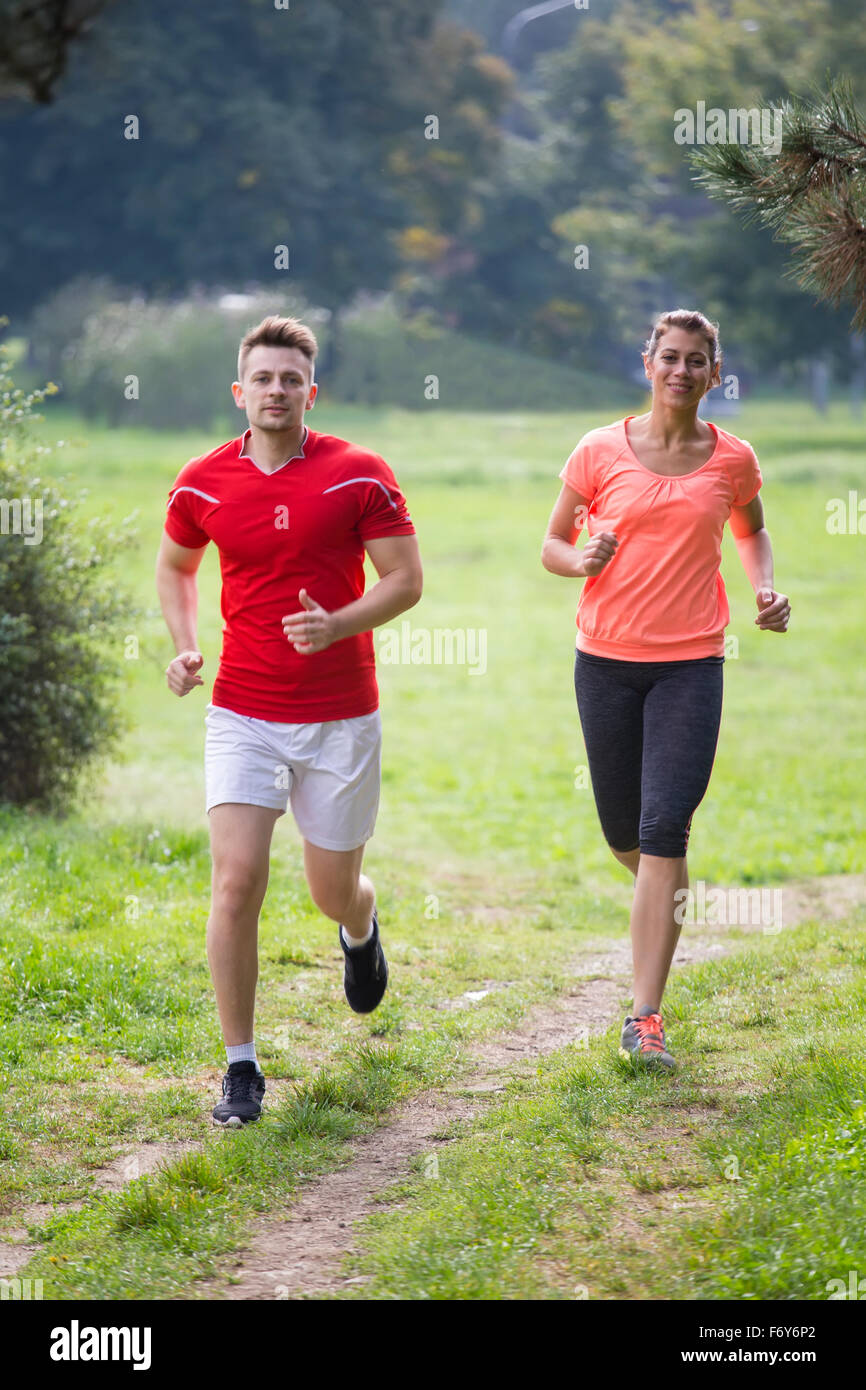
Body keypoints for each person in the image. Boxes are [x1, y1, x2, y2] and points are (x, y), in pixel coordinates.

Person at [156, 315, 423, 1126]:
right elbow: (175, 565)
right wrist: (184, 645)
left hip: (341, 715)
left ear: (314, 390)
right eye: (262, 379)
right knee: (236, 880)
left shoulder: (359, 475)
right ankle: (241, 1067)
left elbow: (406, 580)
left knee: (329, 888)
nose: (277, 391)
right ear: (240, 392)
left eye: (291, 379)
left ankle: (360, 923)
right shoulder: (202, 481)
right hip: (242, 708)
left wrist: (338, 623)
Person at [541, 309, 790, 1070]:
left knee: (662, 831)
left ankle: (644, 1019)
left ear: (715, 373)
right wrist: (580, 559)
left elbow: (751, 529)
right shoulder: (598, 450)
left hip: (691, 666)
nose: (682, 371)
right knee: (628, 838)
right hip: (606, 664)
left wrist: (765, 588)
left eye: (698, 361)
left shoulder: (733, 459)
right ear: (647, 363)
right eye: (670, 357)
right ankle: (670, 899)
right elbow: (550, 544)